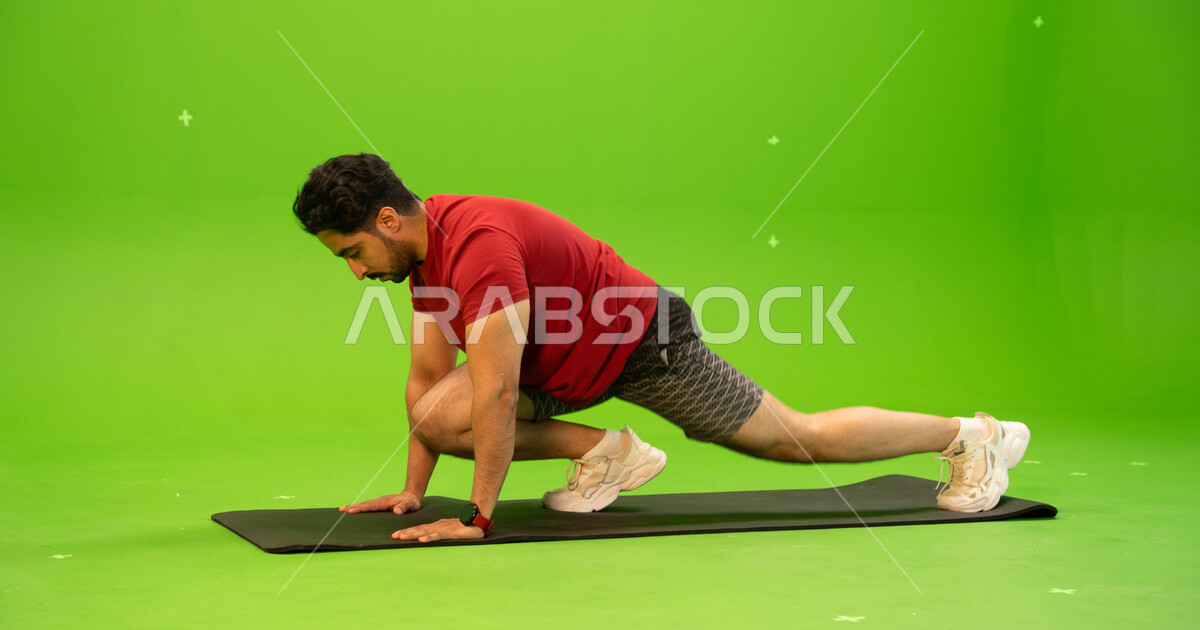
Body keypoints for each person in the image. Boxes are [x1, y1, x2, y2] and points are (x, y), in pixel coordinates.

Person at [291, 153, 1031, 543]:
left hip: (642, 342)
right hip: (563, 360)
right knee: (439, 412)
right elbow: (429, 382)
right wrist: (417, 488)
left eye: (353, 252)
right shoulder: (422, 260)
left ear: (388, 218)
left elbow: (496, 395)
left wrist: (476, 519)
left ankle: (973, 438)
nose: (356, 272)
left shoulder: (477, 246)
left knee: (793, 440)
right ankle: (609, 454)